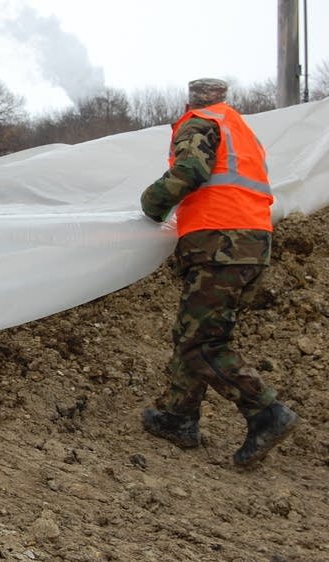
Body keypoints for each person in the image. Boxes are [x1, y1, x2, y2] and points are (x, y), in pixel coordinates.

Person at [139, 78, 300, 468]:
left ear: (192, 100)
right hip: (252, 243)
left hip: (220, 243)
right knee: (195, 333)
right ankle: (179, 417)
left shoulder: (199, 122)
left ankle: (266, 412)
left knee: (203, 344)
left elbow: (191, 170)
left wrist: (151, 203)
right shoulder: (242, 131)